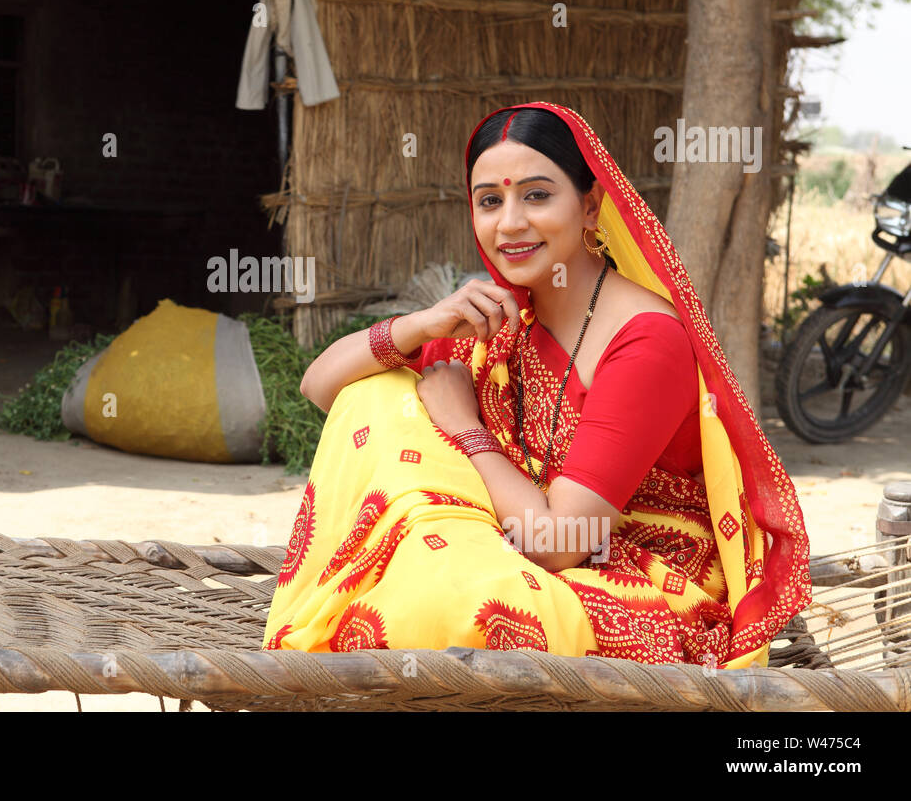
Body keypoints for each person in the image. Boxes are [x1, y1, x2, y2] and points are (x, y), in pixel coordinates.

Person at [261, 102, 812, 668]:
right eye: (490, 201)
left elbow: (560, 543)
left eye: (537, 195)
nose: (510, 223)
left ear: (592, 207)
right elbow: (323, 386)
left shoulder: (646, 341)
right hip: (512, 546)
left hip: (633, 580)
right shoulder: (501, 318)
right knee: (374, 395)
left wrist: (466, 430)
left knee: (447, 605)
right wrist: (422, 323)